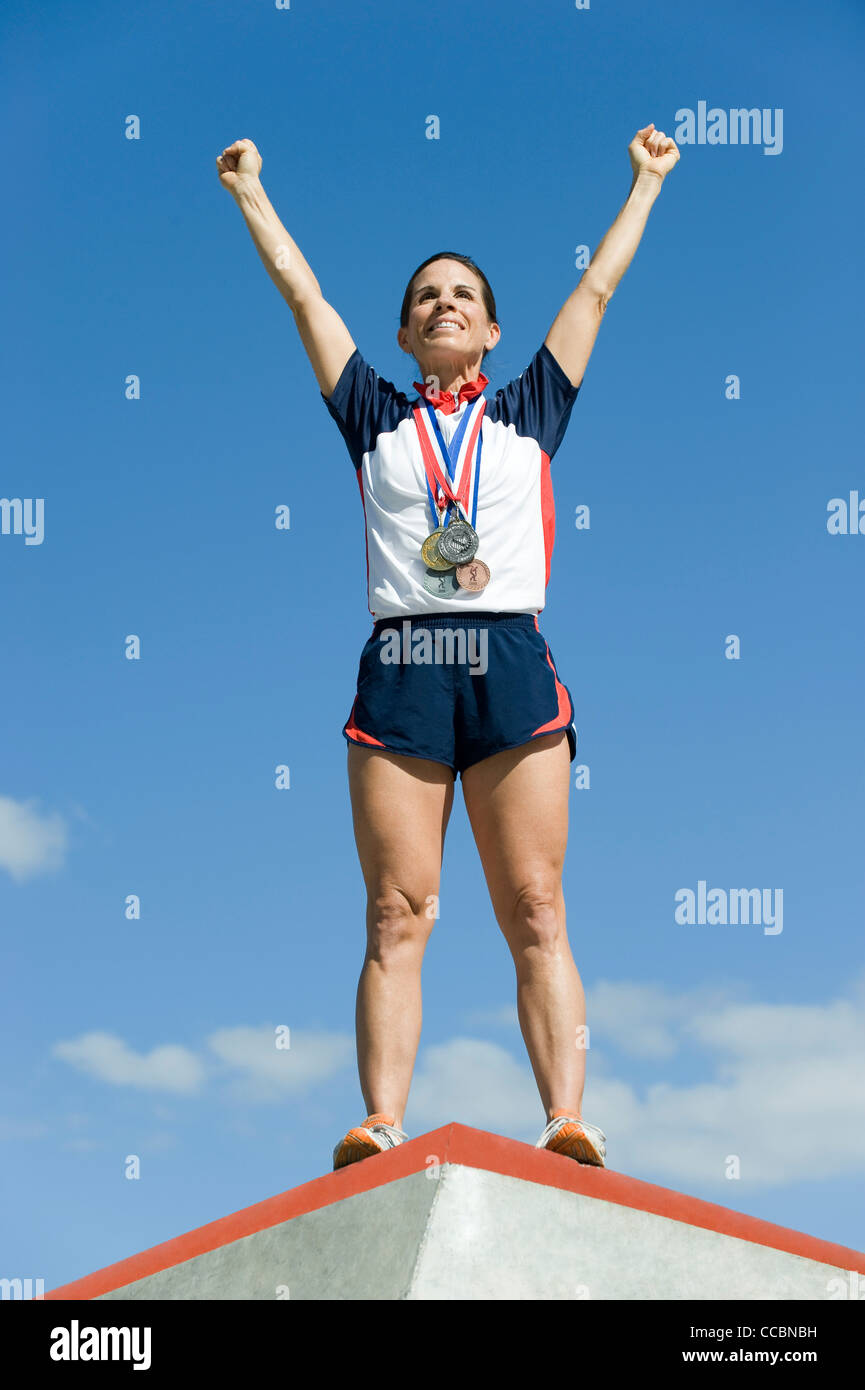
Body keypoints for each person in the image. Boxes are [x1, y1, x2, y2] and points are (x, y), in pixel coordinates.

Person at [216, 124, 680, 1171]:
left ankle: (566, 1119)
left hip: (510, 659)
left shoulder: (531, 411)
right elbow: (305, 298)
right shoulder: (373, 417)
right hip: (404, 666)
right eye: (425, 295)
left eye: (462, 294)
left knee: (535, 903)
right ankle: (382, 1123)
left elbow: (596, 293)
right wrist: (251, 191)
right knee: (396, 907)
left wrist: (644, 183)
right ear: (405, 328)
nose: (443, 304)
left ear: (493, 327)